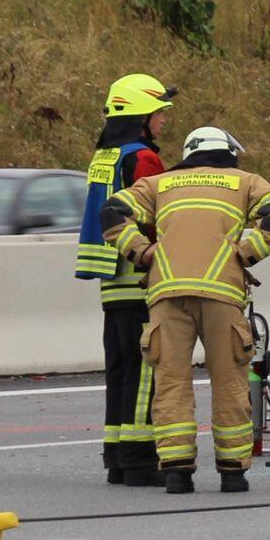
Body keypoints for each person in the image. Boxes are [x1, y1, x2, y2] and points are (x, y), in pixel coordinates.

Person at [102, 127, 270, 494]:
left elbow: (112, 211)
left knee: (171, 383)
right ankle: (232, 472)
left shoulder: (159, 183)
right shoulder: (245, 181)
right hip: (221, 294)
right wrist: (247, 252)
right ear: (228, 152)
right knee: (230, 381)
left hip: (167, 293)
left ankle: (177, 472)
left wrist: (141, 251)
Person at [74, 73, 174, 486]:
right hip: (139, 275)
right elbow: (156, 216)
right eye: (159, 112)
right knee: (145, 366)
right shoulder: (143, 159)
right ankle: (138, 460)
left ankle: (116, 457)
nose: (164, 120)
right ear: (141, 117)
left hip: (111, 278)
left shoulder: (105, 155)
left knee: (119, 367)